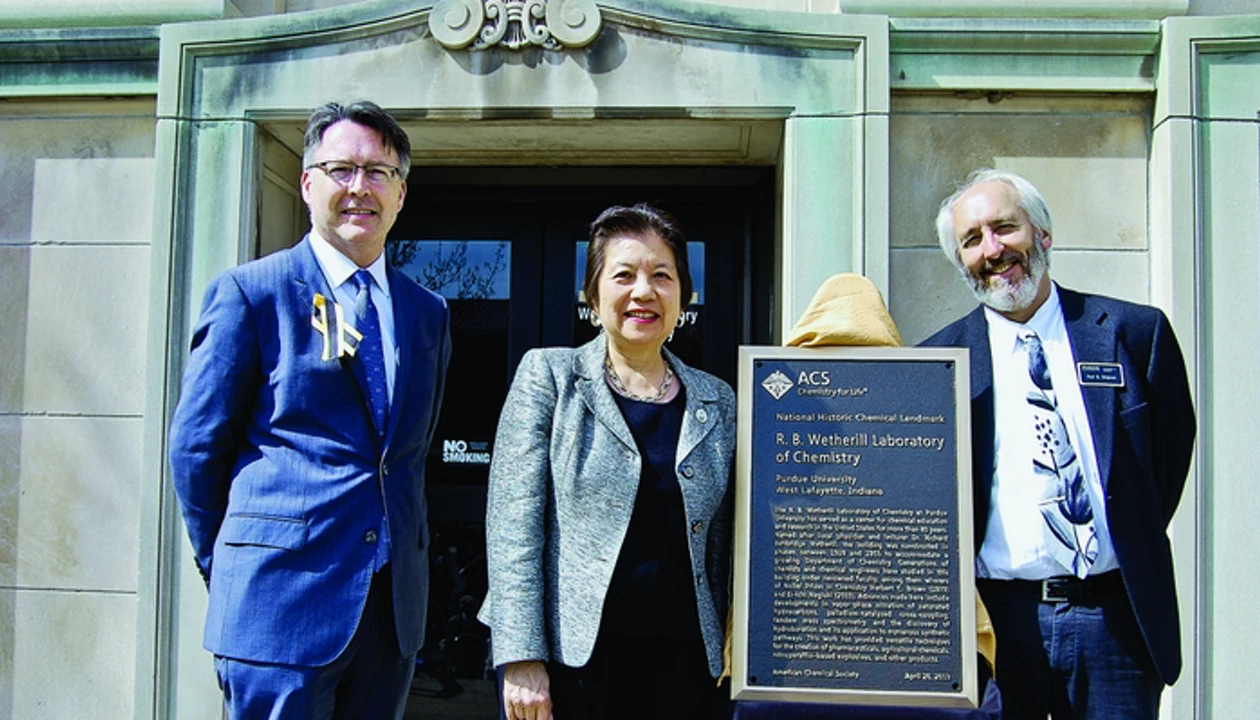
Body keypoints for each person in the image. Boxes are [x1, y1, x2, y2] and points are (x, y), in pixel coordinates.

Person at [168, 100, 451, 719]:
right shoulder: (251, 294)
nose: (360, 187)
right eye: (341, 169)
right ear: (306, 183)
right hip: (277, 608)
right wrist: (239, 565)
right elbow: (196, 452)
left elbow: (404, 457)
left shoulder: (428, 313)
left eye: (378, 172)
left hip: (389, 613)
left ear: (401, 194)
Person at [920, 169, 1196, 719]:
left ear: (1042, 234)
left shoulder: (1133, 334)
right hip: (994, 626)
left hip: (1113, 620)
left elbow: (1165, 461)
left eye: (1005, 228)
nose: (992, 250)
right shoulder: (937, 364)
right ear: (961, 263)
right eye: (972, 240)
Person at [478, 204, 735, 720]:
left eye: (662, 276)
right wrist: (521, 657)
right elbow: (513, 527)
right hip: (573, 663)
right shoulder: (549, 377)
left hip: (686, 663)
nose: (644, 291)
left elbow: (728, 543)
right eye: (624, 276)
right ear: (592, 296)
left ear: (684, 296)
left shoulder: (718, 400)